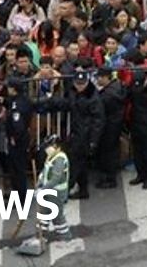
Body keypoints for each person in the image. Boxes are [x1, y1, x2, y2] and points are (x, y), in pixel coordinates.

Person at [40, 68, 102, 199]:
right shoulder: (74, 92)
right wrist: (52, 101)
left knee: (75, 163)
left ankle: (67, 189)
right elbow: (68, 104)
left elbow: (98, 121)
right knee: (80, 164)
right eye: (77, 83)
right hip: (75, 132)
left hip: (85, 135)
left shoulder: (93, 98)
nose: (79, 86)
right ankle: (83, 189)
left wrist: (93, 141)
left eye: (82, 84)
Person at [94, 69, 126, 189]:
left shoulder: (107, 95)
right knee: (112, 150)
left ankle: (109, 177)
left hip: (108, 126)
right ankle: (110, 175)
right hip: (115, 124)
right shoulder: (117, 87)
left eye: (99, 78)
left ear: (105, 78)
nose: (98, 80)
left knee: (107, 152)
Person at [36, 134, 71, 241]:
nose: (46, 150)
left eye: (47, 147)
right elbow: (45, 172)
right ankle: (41, 235)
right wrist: (40, 183)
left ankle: (64, 236)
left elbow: (55, 178)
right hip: (49, 192)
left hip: (57, 193)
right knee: (44, 213)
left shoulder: (60, 159)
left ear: (55, 146)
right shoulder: (51, 156)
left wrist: (43, 189)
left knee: (56, 216)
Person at [1, 77, 32, 194]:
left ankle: (20, 197)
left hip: (18, 141)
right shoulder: (22, 100)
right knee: (17, 169)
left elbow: (18, 124)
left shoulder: (17, 106)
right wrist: (4, 101)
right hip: (22, 138)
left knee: (17, 170)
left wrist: (14, 137)